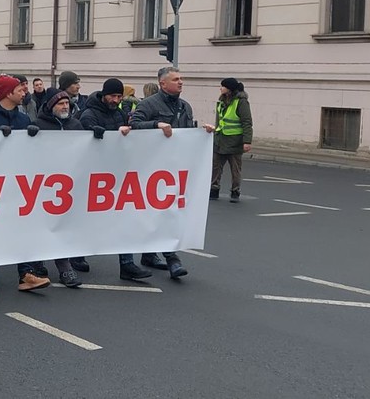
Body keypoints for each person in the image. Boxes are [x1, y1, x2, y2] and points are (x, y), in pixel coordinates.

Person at [131, 67, 216, 279]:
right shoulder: (148, 104)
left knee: (169, 212)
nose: (180, 82)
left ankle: (150, 255)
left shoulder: (184, 106)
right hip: (152, 170)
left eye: (181, 79)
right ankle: (172, 259)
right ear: (163, 84)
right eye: (176, 79)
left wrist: (202, 133)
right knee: (160, 212)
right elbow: (134, 125)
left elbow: (186, 133)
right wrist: (156, 125)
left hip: (175, 169)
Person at [0, 75, 52, 292]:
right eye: (19, 89)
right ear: (8, 94)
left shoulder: (23, 120)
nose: (24, 92)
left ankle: (26, 274)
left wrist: (34, 137)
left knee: (23, 226)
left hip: (19, 183)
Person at [78, 78, 153, 282]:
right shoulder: (89, 114)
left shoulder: (119, 114)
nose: (116, 100)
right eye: (113, 96)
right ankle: (76, 255)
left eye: (119, 96)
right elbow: (81, 139)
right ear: (104, 95)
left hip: (116, 175)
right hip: (93, 177)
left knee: (123, 218)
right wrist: (94, 132)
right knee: (88, 220)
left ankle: (127, 264)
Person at [30, 91, 88, 287]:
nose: (65, 107)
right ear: (50, 106)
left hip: (68, 185)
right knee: (42, 226)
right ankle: (37, 262)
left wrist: (96, 137)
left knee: (63, 226)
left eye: (67, 103)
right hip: (44, 185)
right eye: (60, 103)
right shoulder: (39, 125)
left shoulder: (75, 125)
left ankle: (65, 268)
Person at [212, 77, 253, 202]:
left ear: (229, 89)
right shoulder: (221, 101)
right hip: (220, 140)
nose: (220, 88)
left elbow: (247, 122)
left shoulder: (241, 102)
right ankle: (214, 189)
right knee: (215, 167)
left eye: (223, 86)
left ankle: (235, 191)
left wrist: (247, 141)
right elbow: (220, 121)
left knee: (235, 169)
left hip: (235, 141)